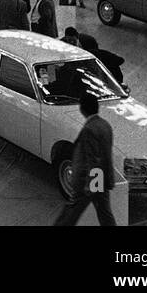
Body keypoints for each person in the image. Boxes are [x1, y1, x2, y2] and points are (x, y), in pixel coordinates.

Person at [53, 93, 117, 226]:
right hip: (101, 179)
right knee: (105, 213)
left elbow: (93, 159)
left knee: (71, 211)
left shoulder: (89, 129)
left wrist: (89, 185)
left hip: (88, 181)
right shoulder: (105, 125)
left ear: (82, 109)